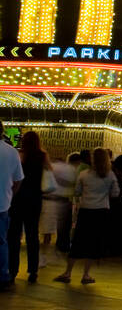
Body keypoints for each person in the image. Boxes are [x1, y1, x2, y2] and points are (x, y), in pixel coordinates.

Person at [55, 148, 119, 285]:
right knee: (94, 244)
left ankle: (67, 272)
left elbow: (77, 192)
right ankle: (86, 275)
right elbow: (115, 193)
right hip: (102, 212)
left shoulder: (84, 174)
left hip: (85, 211)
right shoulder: (110, 175)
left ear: (92, 159)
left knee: (78, 242)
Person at [9, 130, 55, 284]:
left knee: (14, 235)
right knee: (32, 235)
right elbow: (50, 173)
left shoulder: (20, 155)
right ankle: (33, 271)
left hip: (18, 198)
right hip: (35, 199)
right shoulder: (42, 156)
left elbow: (15, 176)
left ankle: (13, 270)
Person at [0, 122, 23, 291]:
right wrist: (10, 195)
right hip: (2, 204)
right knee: (2, 242)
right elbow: (18, 180)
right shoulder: (11, 152)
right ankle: (3, 276)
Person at [42, 149, 75, 264]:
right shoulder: (69, 169)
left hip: (48, 201)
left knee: (47, 231)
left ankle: (44, 255)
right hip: (62, 202)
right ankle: (53, 253)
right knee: (60, 230)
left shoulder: (51, 168)